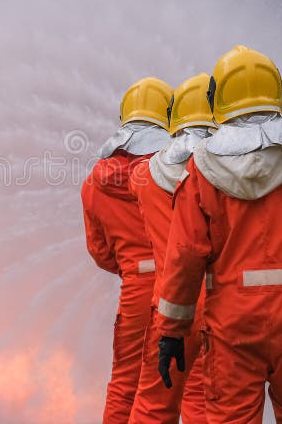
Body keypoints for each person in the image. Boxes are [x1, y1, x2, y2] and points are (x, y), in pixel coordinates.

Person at [155, 45, 282, 423]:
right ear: (277, 92)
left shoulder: (201, 168)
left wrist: (172, 332)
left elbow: (185, 255)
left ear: (218, 99)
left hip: (232, 326)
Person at [82, 76, 173, 424]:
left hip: (136, 291)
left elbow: (100, 252)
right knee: (196, 383)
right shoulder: (180, 168)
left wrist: (133, 267)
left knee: (125, 385)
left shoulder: (95, 181)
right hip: (182, 288)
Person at [128, 73, 215, 423]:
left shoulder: (142, 176)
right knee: (205, 403)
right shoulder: (221, 173)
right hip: (219, 304)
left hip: (168, 306)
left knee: (152, 406)